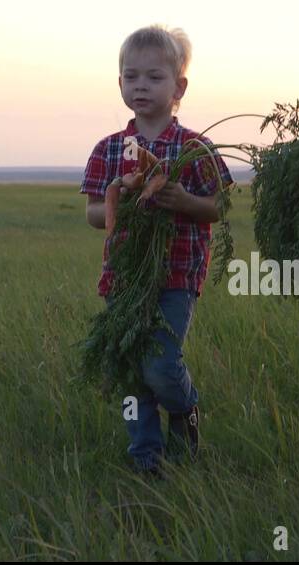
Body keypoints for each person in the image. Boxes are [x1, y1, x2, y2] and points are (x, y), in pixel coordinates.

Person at [80, 25, 233, 475]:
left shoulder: (194, 148)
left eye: (153, 77)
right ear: (121, 84)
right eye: (131, 77)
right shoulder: (108, 150)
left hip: (176, 277)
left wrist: (184, 201)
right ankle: (145, 457)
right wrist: (118, 201)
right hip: (123, 278)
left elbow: (219, 207)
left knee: (161, 364)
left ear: (178, 87)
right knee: (131, 373)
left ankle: (185, 409)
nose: (140, 86)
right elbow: (92, 213)